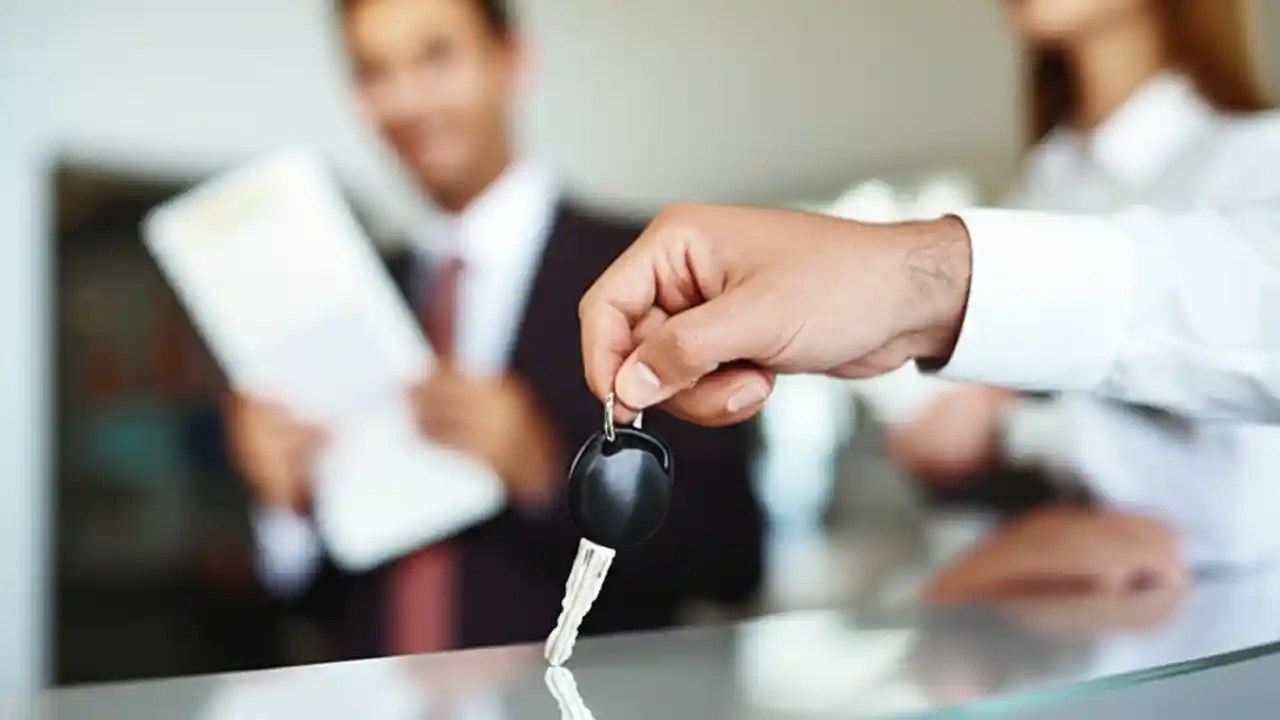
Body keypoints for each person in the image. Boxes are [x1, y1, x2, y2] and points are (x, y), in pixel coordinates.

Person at [227, 0, 761, 658]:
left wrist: (542, 471)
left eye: (435, 57)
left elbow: (731, 554)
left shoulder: (653, 270)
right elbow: (322, 595)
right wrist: (289, 508)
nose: (405, 101)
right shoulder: (352, 294)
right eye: (373, 71)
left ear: (512, 59)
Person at [880, 0, 1280, 597]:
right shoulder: (1038, 189)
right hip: (1041, 635)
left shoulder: (1255, 162)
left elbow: (1243, 508)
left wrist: (1007, 426)